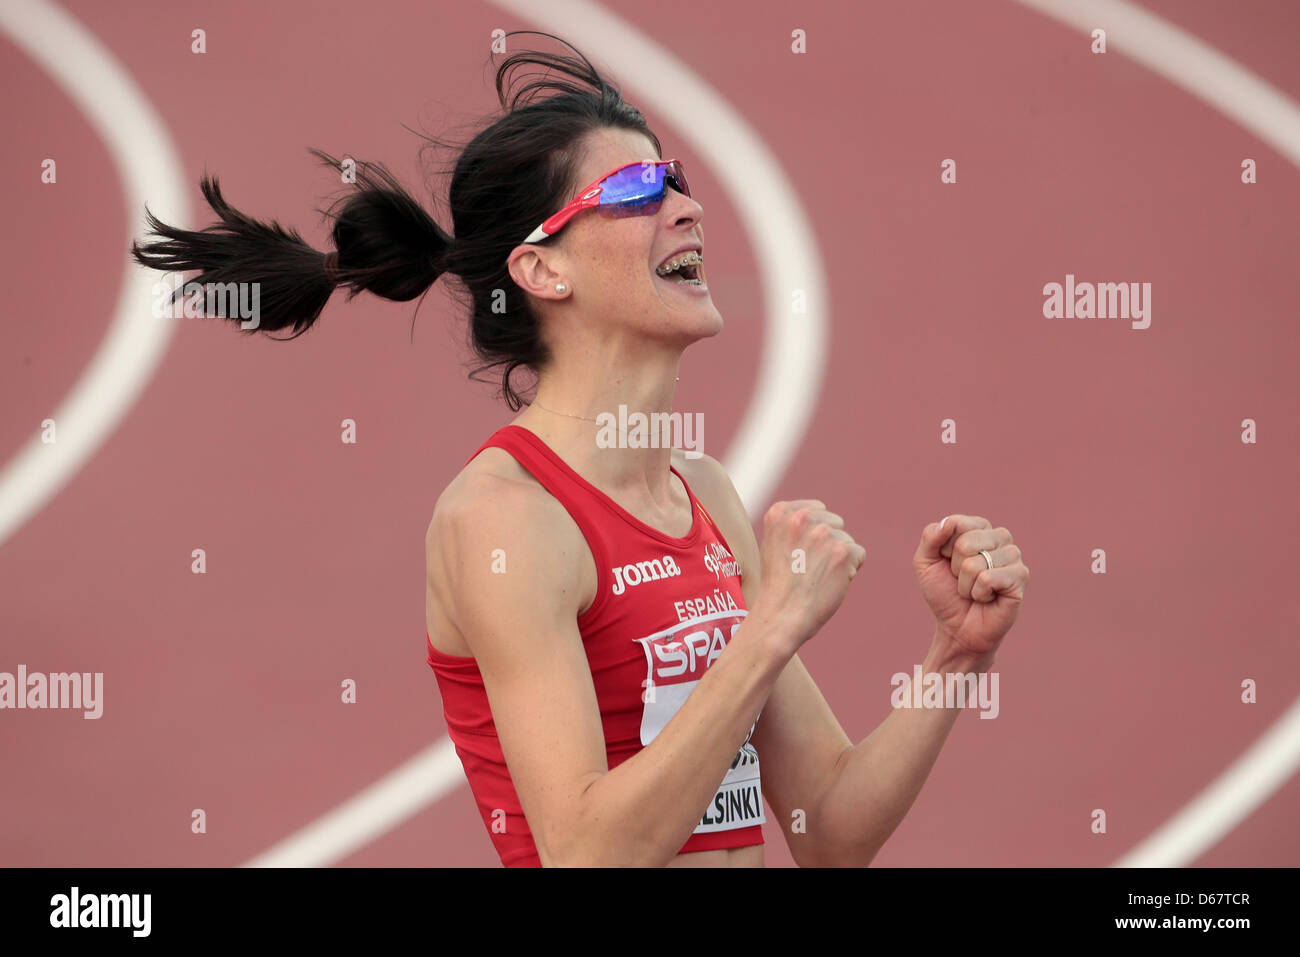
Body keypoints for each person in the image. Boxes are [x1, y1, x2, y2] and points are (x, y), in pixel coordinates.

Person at [131, 32, 1029, 868]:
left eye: (675, 180)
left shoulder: (706, 494)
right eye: (638, 193)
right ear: (542, 270)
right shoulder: (506, 520)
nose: (687, 207)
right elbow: (587, 851)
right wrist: (768, 633)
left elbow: (827, 827)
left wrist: (953, 656)